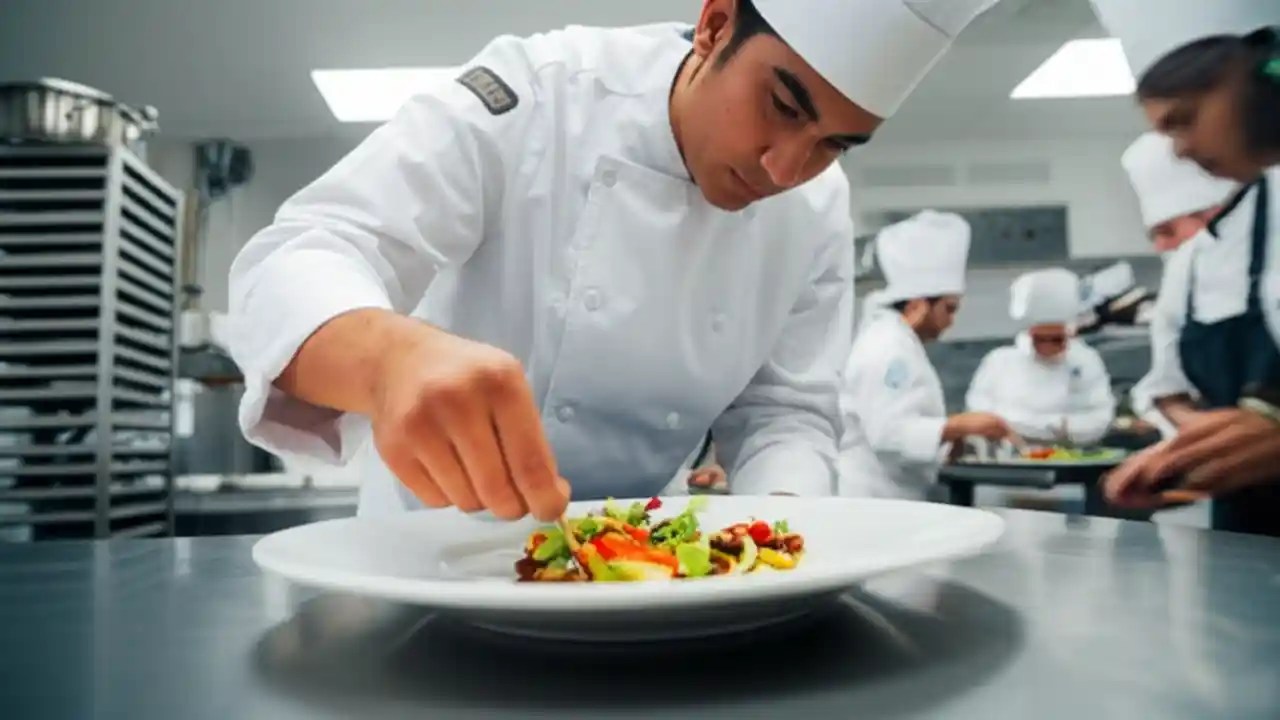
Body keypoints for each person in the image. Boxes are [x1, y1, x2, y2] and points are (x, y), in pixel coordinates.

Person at [226, 0, 999, 521]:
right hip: (439, 556)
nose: (785, 168)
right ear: (715, 22)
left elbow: (784, 414)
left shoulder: (819, 207)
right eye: (785, 106)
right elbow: (297, 256)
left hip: (648, 568)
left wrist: (781, 539)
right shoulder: (540, 96)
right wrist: (388, 357)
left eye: (835, 143)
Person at [1090, 0, 1280, 536]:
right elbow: (1167, 386)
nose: (1178, 152)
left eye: (1185, 119)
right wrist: (1209, 448)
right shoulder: (1206, 258)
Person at [837, 211, 1018, 500]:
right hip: (873, 500)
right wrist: (958, 425)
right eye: (949, 308)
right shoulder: (888, 349)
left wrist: (950, 441)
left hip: (891, 496)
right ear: (919, 305)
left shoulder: (899, 343)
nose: (951, 321)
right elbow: (885, 433)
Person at [1122, 132, 1236, 436]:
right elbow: (1167, 391)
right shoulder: (1180, 285)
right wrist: (1218, 436)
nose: (1160, 247)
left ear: (1218, 216)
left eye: (1167, 231)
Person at [966, 268, 1116, 446]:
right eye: (1041, 339)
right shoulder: (1000, 361)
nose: (1048, 346)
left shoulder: (1086, 361)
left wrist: (1063, 429)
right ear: (1030, 334)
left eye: (1056, 340)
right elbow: (979, 411)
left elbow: (1101, 415)